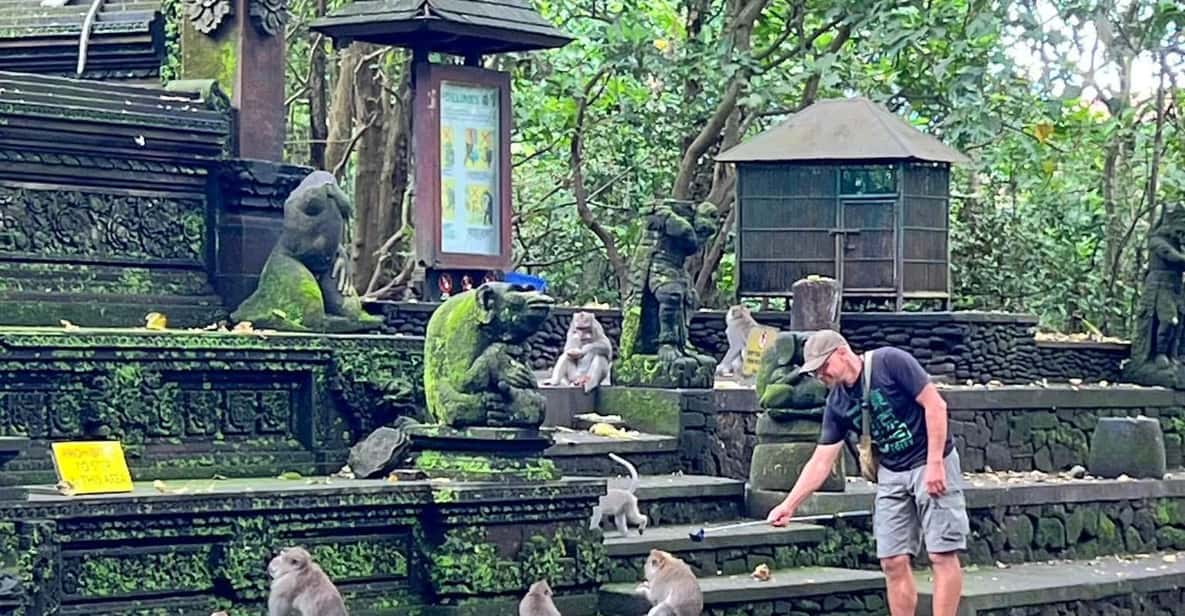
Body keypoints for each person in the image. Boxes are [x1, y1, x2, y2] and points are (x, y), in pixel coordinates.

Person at [765, 329, 968, 616]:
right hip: (892, 472)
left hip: (930, 459)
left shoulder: (890, 362)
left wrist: (935, 462)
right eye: (815, 372)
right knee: (891, 560)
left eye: (823, 367)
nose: (821, 376)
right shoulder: (837, 403)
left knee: (941, 553)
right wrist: (789, 505)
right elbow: (821, 461)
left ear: (842, 353)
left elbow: (935, 405)